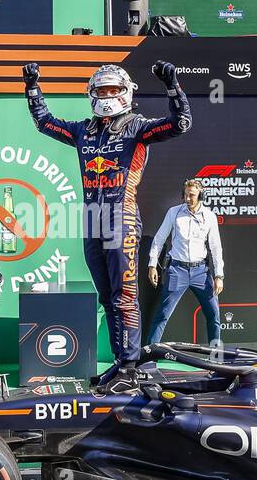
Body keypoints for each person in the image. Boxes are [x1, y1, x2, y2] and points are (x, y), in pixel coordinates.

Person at [24, 59, 191, 388]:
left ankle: (131, 364)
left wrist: (173, 86)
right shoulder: (82, 130)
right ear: (91, 94)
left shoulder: (137, 126)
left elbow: (181, 124)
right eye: (101, 90)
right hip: (91, 219)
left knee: (124, 296)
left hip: (121, 215)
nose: (107, 95)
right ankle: (120, 362)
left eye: (114, 89)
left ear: (127, 92)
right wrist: (32, 88)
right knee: (107, 298)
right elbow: (45, 123)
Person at [146, 179, 224, 347]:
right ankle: (148, 358)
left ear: (201, 195)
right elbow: (159, 239)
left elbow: (216, 247)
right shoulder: (174, 212)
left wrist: (219, 275)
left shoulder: (209, 216)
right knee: (162, 315)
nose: (188, 199)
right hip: (176, 270)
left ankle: (216, 357)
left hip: (201, 272)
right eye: (186, 195)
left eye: (192, 196)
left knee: (214, 315)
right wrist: (152, 265)